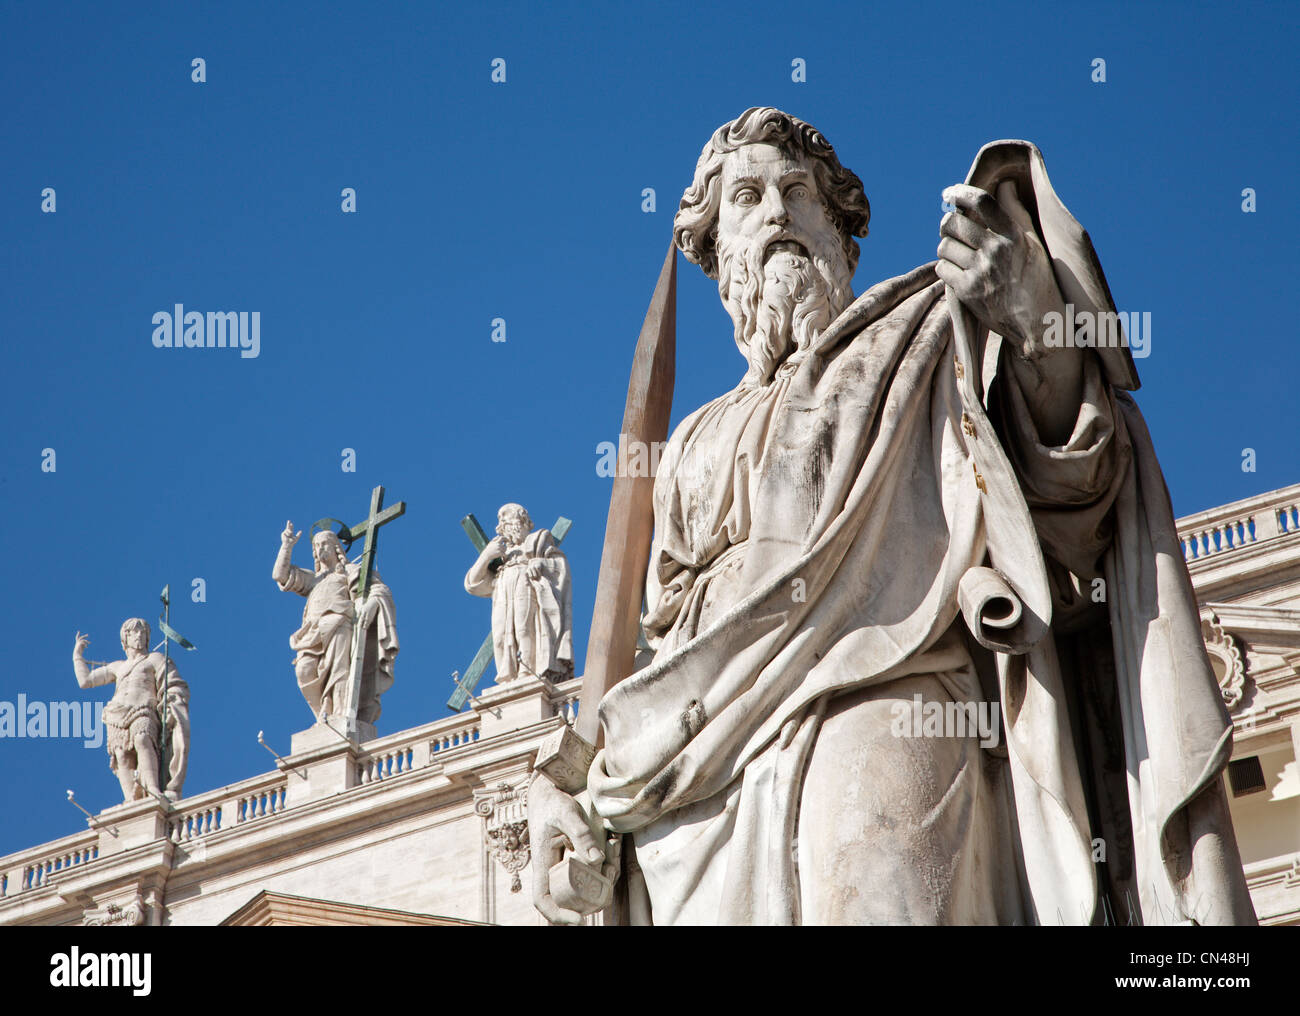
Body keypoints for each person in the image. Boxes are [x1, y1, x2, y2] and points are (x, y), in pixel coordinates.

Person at [529, 107, 1256, 926]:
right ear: (717, 253)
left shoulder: (922, 338)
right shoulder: (692, 438)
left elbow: (1075, 474)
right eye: (746, 198)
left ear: (841, 232)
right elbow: (652, 651)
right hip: (695, 781)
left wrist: (1029, 320)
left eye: (798, 192)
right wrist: (575, 791)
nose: (776, 212)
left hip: (885, 691)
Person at [273, 521, 398, 727]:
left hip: (340, 624)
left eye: (324, 544)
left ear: (336, 548)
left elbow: (379, 589)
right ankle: (322, 717)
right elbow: (280, 575)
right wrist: (286, 546)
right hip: (312, 632)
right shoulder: (314, 579)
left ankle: (338, 716)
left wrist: (370, 604)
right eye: (316, 546)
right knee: (304, 670)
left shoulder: (349, 570)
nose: (319, 549)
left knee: (340, 673)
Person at [73, 618, 189, 802]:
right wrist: (77, 655)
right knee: (122, 755)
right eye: (133, 632)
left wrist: (172, 699)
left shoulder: (155, 659)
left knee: (143, 740)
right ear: (124, 639)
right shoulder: (117, 666)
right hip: (116, 714)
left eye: (143, 632)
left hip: (143, 708)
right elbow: (85, 681)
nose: (139, 635)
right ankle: (131, 801)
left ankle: (152, 788)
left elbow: (173, 683)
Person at [465, 503, 574, 683]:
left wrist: (539, 563)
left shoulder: (538, 540)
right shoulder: (499, 553)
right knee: (500, 636)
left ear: (523, 522)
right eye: (502, 521)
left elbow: (560, 565)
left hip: (525, 584)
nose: (505, 522)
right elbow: (472, 584)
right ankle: (507, 676)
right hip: (502, 589)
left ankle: (526, 671)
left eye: (510, 518)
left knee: (524, 629)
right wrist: (486, 556)